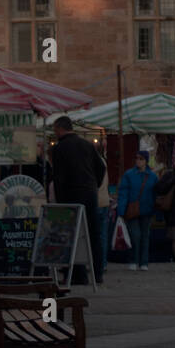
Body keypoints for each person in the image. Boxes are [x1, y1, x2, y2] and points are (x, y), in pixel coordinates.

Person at [51, 116, 106, 284]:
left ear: (60, 129)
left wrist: (60, 201)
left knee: (71, 235)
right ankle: (97, 274)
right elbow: (101, 167)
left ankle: (76, 275)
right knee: (93, 234)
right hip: (89, 194)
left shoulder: (59, 148)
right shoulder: (87, 144)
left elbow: (59, 177)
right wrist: (93, 185)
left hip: (70, 195)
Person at [117, 151, 158, 271]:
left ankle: (143, 262)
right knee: (135, 235)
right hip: (132, 210)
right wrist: (121, 210)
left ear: (146, 161)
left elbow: (155, 194)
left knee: (145, 236)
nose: (138, 161)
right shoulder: (129, 174)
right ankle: (133, 260)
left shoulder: (152, 176)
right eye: (136, 158)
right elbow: (123, 193)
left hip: (147, 209)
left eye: (140, 159)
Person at [96, 150, 110, 281]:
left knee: (97, 236)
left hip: (96, 202)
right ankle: (102, 263)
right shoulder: (102, 161)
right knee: (103, 235)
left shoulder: (93, 161)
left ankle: (99, 263)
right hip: (104, 200)